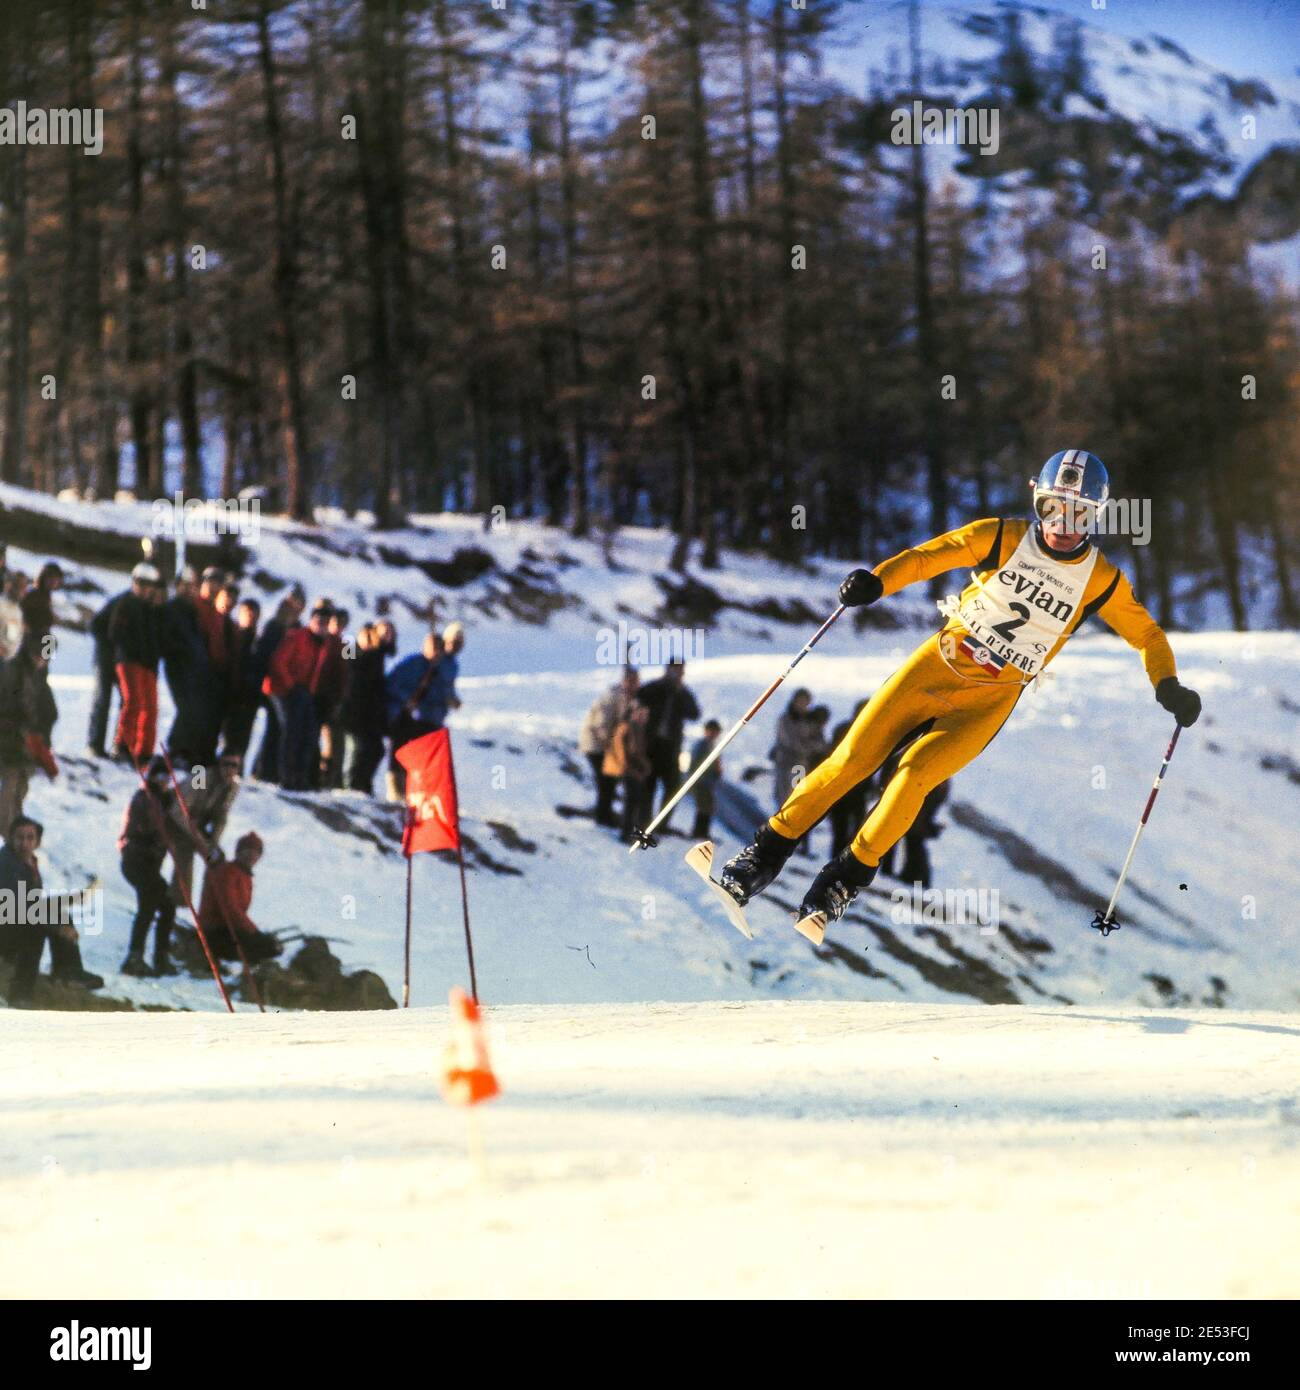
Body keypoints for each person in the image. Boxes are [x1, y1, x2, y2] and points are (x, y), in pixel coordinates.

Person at [719, 450, 1204, 933]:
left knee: (913, 778)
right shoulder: (1001, 535)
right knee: (853, 759)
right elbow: (930, 558)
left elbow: (1148, 636)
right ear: (1037, 501)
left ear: (1096, 515)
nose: (1063, 523)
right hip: (935, 666)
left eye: (1078, 512)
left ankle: (840, 883)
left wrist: (1168, 685)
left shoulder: (1101, 579)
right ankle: (760, 858)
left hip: (988, 700)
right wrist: (877, 582)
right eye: (1053, 507)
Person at [0, 816, 103, 1005]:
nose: (24, 843)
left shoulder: (28, 862)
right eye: (19, 837)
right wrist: (58, 929)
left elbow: (33, 903)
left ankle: (68, 971)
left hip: (16, 921)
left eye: (30, 838)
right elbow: (16, 909)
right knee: (35, 930)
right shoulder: (6, 864)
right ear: (11, 838)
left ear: (37, 841)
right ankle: (20, 994)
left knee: (58, 914)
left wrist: (70, 899)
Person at [118, 756, 182, 976]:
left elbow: (195, 785)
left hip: (151, 864)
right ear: (151, 776)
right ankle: (134, 958)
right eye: (160, 776)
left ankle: (160, 957)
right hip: (135, 860)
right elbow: (143, 829)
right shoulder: (143, 798)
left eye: (168, 776)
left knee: (167, 905)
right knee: (149, 903)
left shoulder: (166, 798)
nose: (164, 780)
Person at [267, 598, 330, 791]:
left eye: (325, 624)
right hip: (282, 689)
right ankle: (285, 776)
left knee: (308, 733)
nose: (321, 626)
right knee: (291, 732)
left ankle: (300, 777)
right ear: (311, 620)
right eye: (318, 622)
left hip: (303, 692)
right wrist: (291, 687)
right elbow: (278, 662)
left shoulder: (325, 644)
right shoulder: (297, 636)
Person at [168, 751, 242, 911]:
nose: (230, 769)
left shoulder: (232, 787)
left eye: (234, 765)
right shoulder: (201, 776)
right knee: (185, 855)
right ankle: (175, 905)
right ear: (219, 765)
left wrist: (212, 844)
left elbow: (221, 817)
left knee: (218, 861)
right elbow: (179, 811)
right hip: (174, 821)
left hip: (196, 825)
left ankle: (212, 909)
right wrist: (200, 840)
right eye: (226, 764)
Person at [0, 634, 59, 832]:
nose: (42, 662)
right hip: (11, 737)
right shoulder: (14, 669)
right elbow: (10, 705)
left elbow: (48, 710)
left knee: (21, 785)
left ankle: (14, 826)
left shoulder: (38, 673)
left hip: (28, 740)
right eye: (40, 658)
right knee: (11, 782)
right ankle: (7, 829)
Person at [197, 831, 284, 965]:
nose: (251, 856)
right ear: (238, 852)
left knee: (270, 946)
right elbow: (230, 909)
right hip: (214, 932)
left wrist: (253, 932)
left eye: (255, 852)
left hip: (226, 928)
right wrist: (254, 932)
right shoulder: (228, 872)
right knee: (267, 947)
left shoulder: (244, 875)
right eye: (247, 851)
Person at [635, 661, 700, 832]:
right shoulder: (654, 688)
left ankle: (662, 824)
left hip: (671, 748)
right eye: (674, 670)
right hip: (651, 745)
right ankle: (644, 823)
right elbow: (639, 697)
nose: (677, 674)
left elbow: (694, 713)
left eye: (680, 671)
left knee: (673, 787)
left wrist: (680, 692)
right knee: (648, 785)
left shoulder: (683, 693)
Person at [109, 562, 163, 766]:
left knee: (151, 708)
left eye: (149, 584)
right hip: (129, 660)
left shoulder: (151, 609)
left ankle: (143, 751)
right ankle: (123, 744)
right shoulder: (126, 603)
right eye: (141, 583)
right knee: (133, 702)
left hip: (148, 664)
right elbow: (115, 633)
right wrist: (133, 649)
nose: (145, 588)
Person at [252, 586, 307, 783]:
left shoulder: (298, 628)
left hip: (286, 686)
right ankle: (265, 770)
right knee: (280, 728)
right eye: (293, 601)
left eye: (299, 603)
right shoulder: (275, 625)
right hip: (273, 685)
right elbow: (268, 657)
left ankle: (266, 770)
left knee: (276, 728)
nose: (296, 606)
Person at [385, 630, 449, 799]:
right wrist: (407, 700)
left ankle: (419, 792)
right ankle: (396, 790)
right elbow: (392, 683)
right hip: (404, 717)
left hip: (428, 721)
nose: (436, 653)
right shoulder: (412, 664)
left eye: (439, 649)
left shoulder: (440, 671)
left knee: (423, 760)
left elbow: (441, 695)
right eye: (433, 647)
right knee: (400, 752)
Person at [159, 566, 209, 764]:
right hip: (178, 665)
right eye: (185, 586)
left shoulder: (192, 610)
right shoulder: (172, 608)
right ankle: (175, 748)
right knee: (186, 706)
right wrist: (180, 651)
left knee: (194, 707)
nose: (189, 590)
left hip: (194, 667)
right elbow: (166, 638)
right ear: (178, 586)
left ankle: (185, 750)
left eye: (192, 586)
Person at [578, 666, 639, 826]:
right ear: (625, 681)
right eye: (632, 681)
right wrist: (609, 745)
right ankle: (603, 816)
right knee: (605, 781)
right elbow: (601, 725)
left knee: (609, 781)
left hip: (608, 746)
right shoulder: (611, 697)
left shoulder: (629, 699)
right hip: (596, 746)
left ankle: (604, 813)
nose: (635, 685)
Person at [341, 621, 395, 794]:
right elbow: (347, 667)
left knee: (375, 750)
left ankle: (362, 785)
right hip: (350, 711)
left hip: (369, 714)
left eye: (390, 633)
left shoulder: (379, 656)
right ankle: (349, 786)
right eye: (384, 632)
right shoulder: (353, 645)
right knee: (356, 750)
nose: (386, 636)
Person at [86, 582, 130, 757]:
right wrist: (108, 647)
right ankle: (94, 744)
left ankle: (119, 745)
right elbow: (95, 625)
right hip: (105, 658)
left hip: (120, 661)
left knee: (126, 701)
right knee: (102, 700)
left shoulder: (139, 605)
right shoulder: (122, 601)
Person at [605, 701, 652, 845]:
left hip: (634, 771)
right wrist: (634, 769)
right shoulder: (626, 728)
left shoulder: (639, 729)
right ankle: (626, 834)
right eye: (641, 714)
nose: (644, 717)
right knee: (630, 803)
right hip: (628, 771)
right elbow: (623, 753)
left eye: (646, 715)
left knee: (635, 803)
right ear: (633, 713)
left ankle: (632, 833)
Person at [222, 598, 264, 757]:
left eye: (254, 615)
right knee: (229, 736)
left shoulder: (259, 640)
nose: (251, 618)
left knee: (244, 737)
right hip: (232, 694)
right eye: (247, 614)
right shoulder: (233, 636)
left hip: (250, 697)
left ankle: (236, 769)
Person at [314, 606, 349, 789]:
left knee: (336, 745)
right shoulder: (322, 641)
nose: (339, 626)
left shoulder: (345, 644)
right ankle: (320, 777)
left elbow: (348, 670)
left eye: (343, 623)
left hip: (334, 700)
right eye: (337, 622)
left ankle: (332, 780)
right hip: (318, 696)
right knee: (323, 741)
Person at [770, 688, 814, 809]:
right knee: (783, 796)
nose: (804, 705)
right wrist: (807, 748)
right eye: (801, 701)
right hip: (785, 763)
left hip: (799, 765)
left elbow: (816, 740)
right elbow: (789, 741)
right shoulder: (785, 719)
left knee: (797, 796)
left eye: (806, 702)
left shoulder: (809, 721)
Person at [687, 719, 724, 840]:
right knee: (703, 806)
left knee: (708, 807)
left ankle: (703, 832)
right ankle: (698, 832)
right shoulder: (702, 745)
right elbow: (694, 764)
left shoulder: (712, 745)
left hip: (709, 783)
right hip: (701, 782)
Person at [19, 562, 63, 652]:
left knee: (51, 644)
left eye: (56, 579)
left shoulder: (46, 596)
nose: (53, 582)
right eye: (51, 578)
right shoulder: (33, 594)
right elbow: (20, 613)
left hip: (41, 640)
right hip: (27, 640)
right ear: (43, 577)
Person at [0, 569, 28, 661]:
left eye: (24, 587)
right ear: (8, 585)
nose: (22, 591)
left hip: (10, 663)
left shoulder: (17, 611)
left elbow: (12, 636)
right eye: (18, 586)